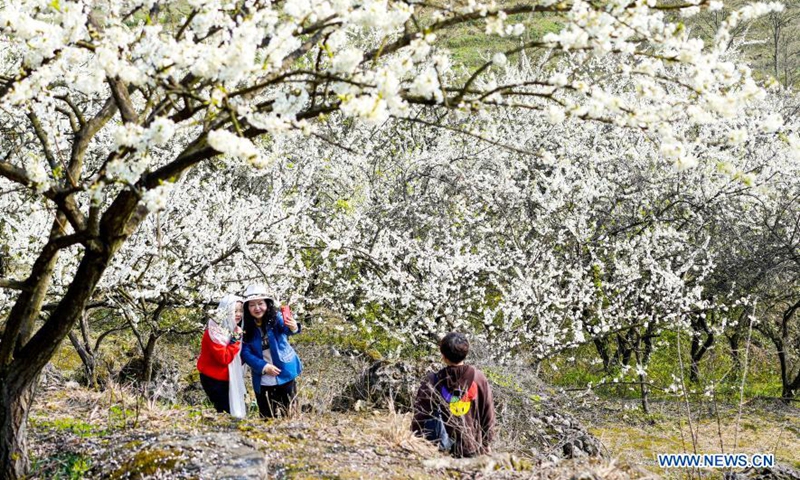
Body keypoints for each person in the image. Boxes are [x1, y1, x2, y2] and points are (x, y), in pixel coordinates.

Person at [411, 332, 495, 457]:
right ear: (465, 354)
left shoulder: (433, 380)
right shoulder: (479, 378)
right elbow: (488, 413)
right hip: (472, 447)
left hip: (439, 450)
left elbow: (421, 414)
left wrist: (415, 438)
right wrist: (486, 443)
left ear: (443, 356)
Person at [240, 284, 302, 418]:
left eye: (260, 303)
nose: (257, 308)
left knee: (291, 413)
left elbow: (287, 329)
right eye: (252, 305)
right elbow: (245, 352)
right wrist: (264, 367)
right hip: (263, 376)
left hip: (284, 370)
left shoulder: (276, 317)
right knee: (266, 415)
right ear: (247, 308)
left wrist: (294, 327)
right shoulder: (245, 327)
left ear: (267, 304)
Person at [196, 294, 247, 416]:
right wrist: (235, 341)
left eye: (241, 311)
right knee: (225, 412)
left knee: (230, 412)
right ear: (226, 311)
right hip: (215, 380)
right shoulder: (215, 332)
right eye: (235, 311)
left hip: (228, 379)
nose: (238, 314)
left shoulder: (234, 329)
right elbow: (224, 358)